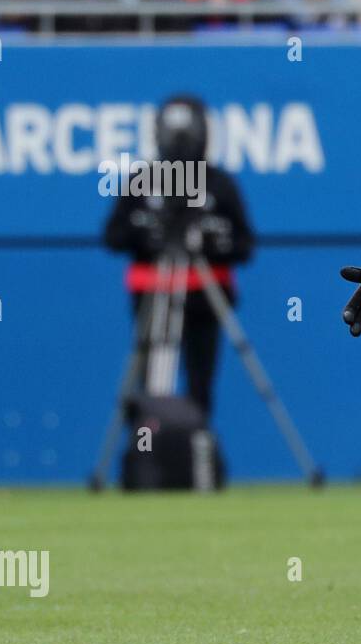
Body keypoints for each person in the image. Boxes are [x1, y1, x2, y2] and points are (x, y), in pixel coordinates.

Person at [104, 95, 255, 419]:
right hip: (152, 292)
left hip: (205, 294)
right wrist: (146, 236)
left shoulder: (219, 184)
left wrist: (213, 243)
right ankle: (150, 452)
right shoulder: (142, 180)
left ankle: (195, 452)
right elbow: (113, 237)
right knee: (150, 380)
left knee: (200, 380)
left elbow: (245, 245)